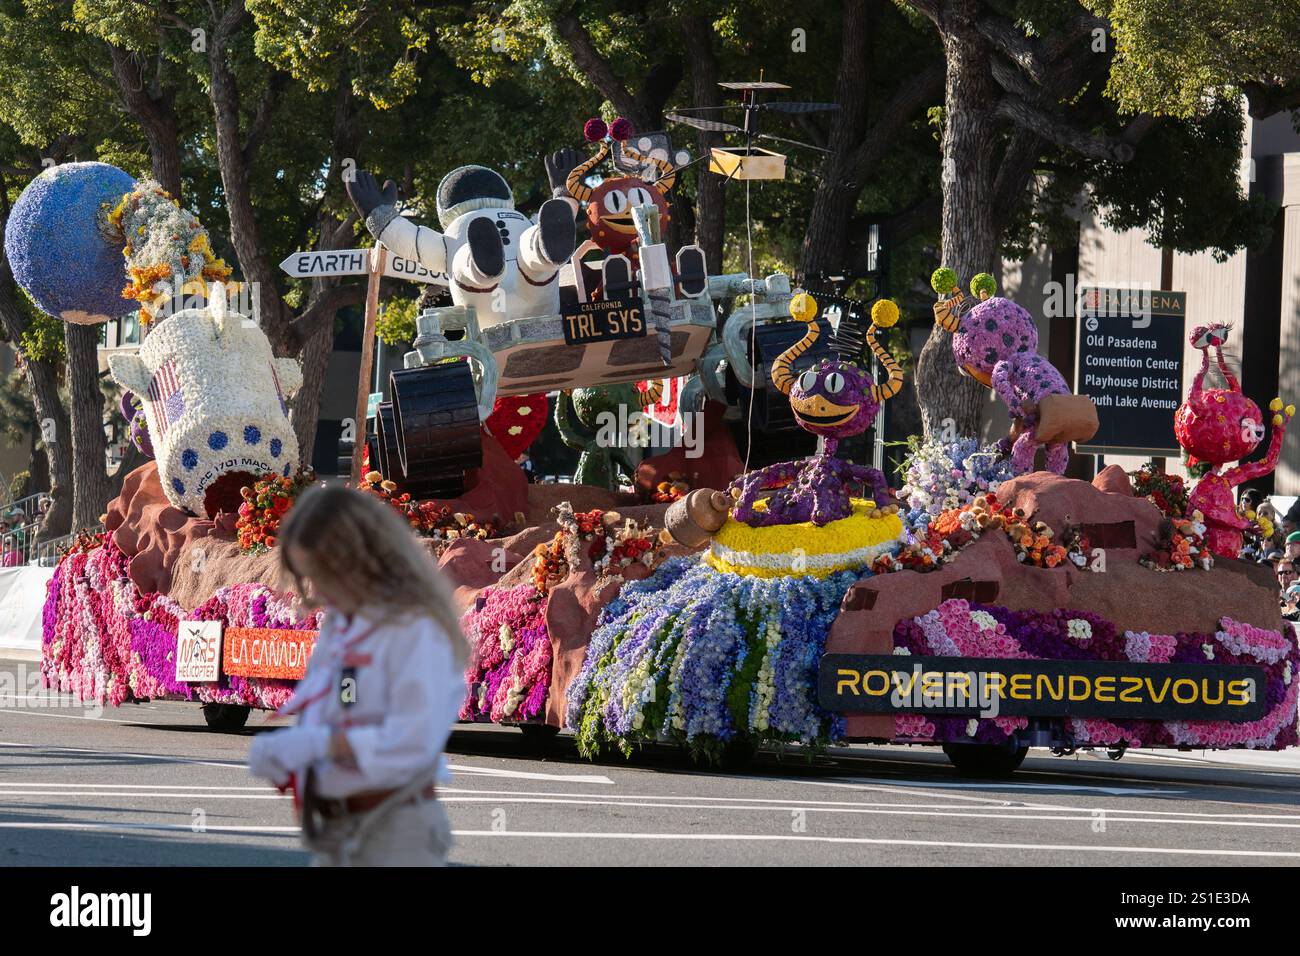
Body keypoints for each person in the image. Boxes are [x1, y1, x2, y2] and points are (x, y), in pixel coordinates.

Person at [247, 485, 469, 866]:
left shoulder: (413, 627)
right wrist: (296, 750)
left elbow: (414, 741)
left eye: (321, 573)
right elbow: (344, 703)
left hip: (395, 832)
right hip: (340, 829)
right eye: (307, 576)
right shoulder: (343, 622)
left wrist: (322, 745)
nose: (316, 589)